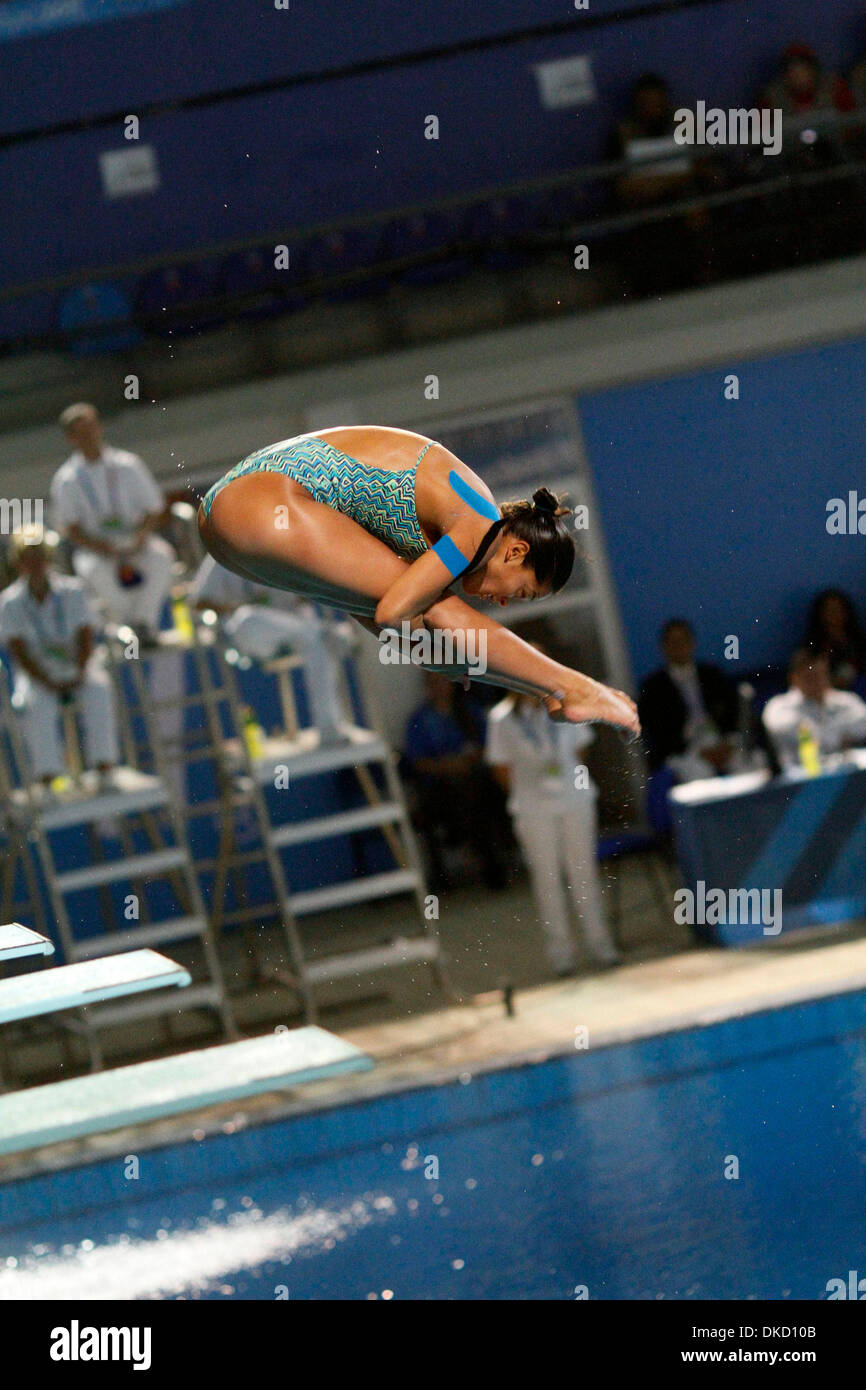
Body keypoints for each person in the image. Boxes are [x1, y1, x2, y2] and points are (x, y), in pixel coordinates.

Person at [197, 425, 639, 736]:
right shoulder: (478, 522)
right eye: (520, 591)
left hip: (225, 525)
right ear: (516, 550)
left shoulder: (438, 534)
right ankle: (579, 686)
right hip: (264, 504)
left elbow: (369, 607)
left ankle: (555, 691)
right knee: (443, 610)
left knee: (443, 624)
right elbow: (396, 613)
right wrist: (437, 654)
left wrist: (450, 660)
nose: (504, 604)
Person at [486, 686, 618, 976]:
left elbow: (581, 748)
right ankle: (562, 956)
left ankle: (601, 946)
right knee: (547, 881)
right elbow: (500, 768)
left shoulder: (567, 705)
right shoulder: (501, 719)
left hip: (574, 800)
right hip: (533, 808)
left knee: (583, 874)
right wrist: (534, 789)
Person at [0, 527, 120, 791]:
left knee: (98, 689)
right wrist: (47, 681)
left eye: (40, 556)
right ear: (19, 562)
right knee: (35, 703)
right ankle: (48, 779)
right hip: (38, 675)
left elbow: (85, 636)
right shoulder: (9, 602)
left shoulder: (74, 590)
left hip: (78, 667)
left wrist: (78, 672)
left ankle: (104, 768)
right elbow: (18, 652)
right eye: (28, 557)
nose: (35, 564)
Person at [188, 553, 353, 741]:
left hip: (294, 633)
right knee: (247, 617)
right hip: (252, 639)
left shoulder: (281, 547)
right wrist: (232, 608)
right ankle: (330, 632)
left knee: (317, 644)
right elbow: (198, 603)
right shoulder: (221, 553)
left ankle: (330, 730)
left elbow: (304, 596)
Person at [50, 402, 175, 644]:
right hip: (95, 548)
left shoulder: (127, 464)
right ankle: (126, 629)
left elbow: (154, 507)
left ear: (99, 428)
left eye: (92, 428)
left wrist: (140, 536)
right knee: (95, 572)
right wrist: (101, 547)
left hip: (135, 538)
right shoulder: (66, 479)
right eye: (81, 432)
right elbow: (69, 528)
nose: (89, 436)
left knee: (162, 557)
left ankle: (144, 623)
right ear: (70, 438)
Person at [404, 672, 512, 891]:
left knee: (478, 791)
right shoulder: (419, 720)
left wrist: (468, 761)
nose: (439, 687)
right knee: (463, 795)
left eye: (442, 681)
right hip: (439, 788)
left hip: (475, 781)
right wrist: (447, 766)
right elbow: (417, 762)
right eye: (433, 683)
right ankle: (485, 865)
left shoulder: (469, 711)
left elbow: (490, 746)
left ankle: (490, 861)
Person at [638, 618, 739, 781]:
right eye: (674, 642)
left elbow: (733, 712)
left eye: (684, 640)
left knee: (748, 765)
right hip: (684, 751)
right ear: (664, 647)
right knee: (700, 775)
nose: (680, 646)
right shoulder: (653, 688)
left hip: (719, 741)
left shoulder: (713, 675)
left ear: (692, 642)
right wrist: (696, 751)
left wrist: (727, 743)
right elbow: (655, 733)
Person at [762, 649, 866, 771]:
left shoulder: (846, 700)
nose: (817, 681)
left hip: (845, 772)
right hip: (800, 777)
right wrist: (841, 735)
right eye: (810, 677)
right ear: (794, 678)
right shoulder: (778, 706)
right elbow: (802, 738)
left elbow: (862, 726)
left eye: (821, 674)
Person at [804, 588, 866, 691]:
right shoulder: (812, 647)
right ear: (820, 614)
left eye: (838, 609)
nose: (834, 615)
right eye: (829, 610)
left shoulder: (860, 642)